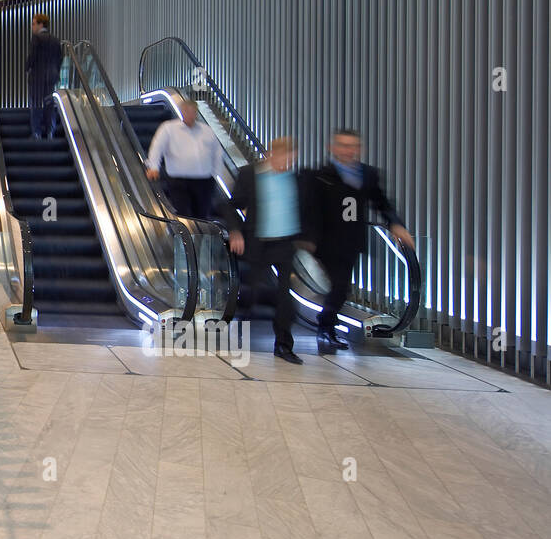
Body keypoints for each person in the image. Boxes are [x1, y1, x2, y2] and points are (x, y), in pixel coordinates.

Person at [306, 128, 414, 352]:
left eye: (352, 146)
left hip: (351, 242)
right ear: (332, 148)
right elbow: (310, 209)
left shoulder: (368, 175)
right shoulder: (320, 175)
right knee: (339, 286)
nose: (348, 150)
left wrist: (396, 224)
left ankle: (326, 324)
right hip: (326, 243)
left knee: (342, 287)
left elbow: (382, 203)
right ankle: (326, 326)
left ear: (359, 149)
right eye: (343, 145)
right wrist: (309, 239)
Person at [221, 136, 310, 364]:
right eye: (283, 159)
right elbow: (231, 206)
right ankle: (236, 331)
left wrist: (308, 238)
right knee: (252, 294)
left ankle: (283, 346)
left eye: (291, 160)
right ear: (270, 155)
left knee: (284, 297)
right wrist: (235, 231)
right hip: (258, 243)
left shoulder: (298, 179)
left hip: (285, 244)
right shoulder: (250, 175)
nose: (286, 164)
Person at [145, 95, 224, 219]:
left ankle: (201, 237)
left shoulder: (206, 130)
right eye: (187, 111)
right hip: (179, 180)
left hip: (204, 181)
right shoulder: (169, 128)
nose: (190, 114)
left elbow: (217, 152)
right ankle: (187, 237)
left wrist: (216, 174)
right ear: (182, 112)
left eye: (193, 112)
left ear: (196, 113)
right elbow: (157, 147)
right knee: (184, 214)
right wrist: (153, 167)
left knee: (202, 215)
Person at [25, 13, 62, 139]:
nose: (32, 27)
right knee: (49, 104)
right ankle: (50, 131)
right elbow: (59, 59)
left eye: (34, 23)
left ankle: (36, 132)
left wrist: (27, 67)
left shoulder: (36, 39)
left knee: (35, 104)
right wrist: (56, 72)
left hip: (37, 77)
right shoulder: (55, 40)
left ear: (41, 24)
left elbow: (32, 57)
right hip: (51, 77)